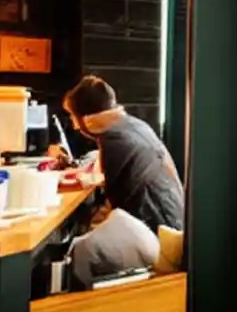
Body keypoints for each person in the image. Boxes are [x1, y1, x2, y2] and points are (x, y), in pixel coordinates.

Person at [60, 75, 184, 288]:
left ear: (87, 118)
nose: (73, 125)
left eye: (73, 116)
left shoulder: (115, 141)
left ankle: (81, 308)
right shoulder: (131, 125)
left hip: (157, 236)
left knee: (80, 249)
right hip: (173, 224)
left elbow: (116, 206)